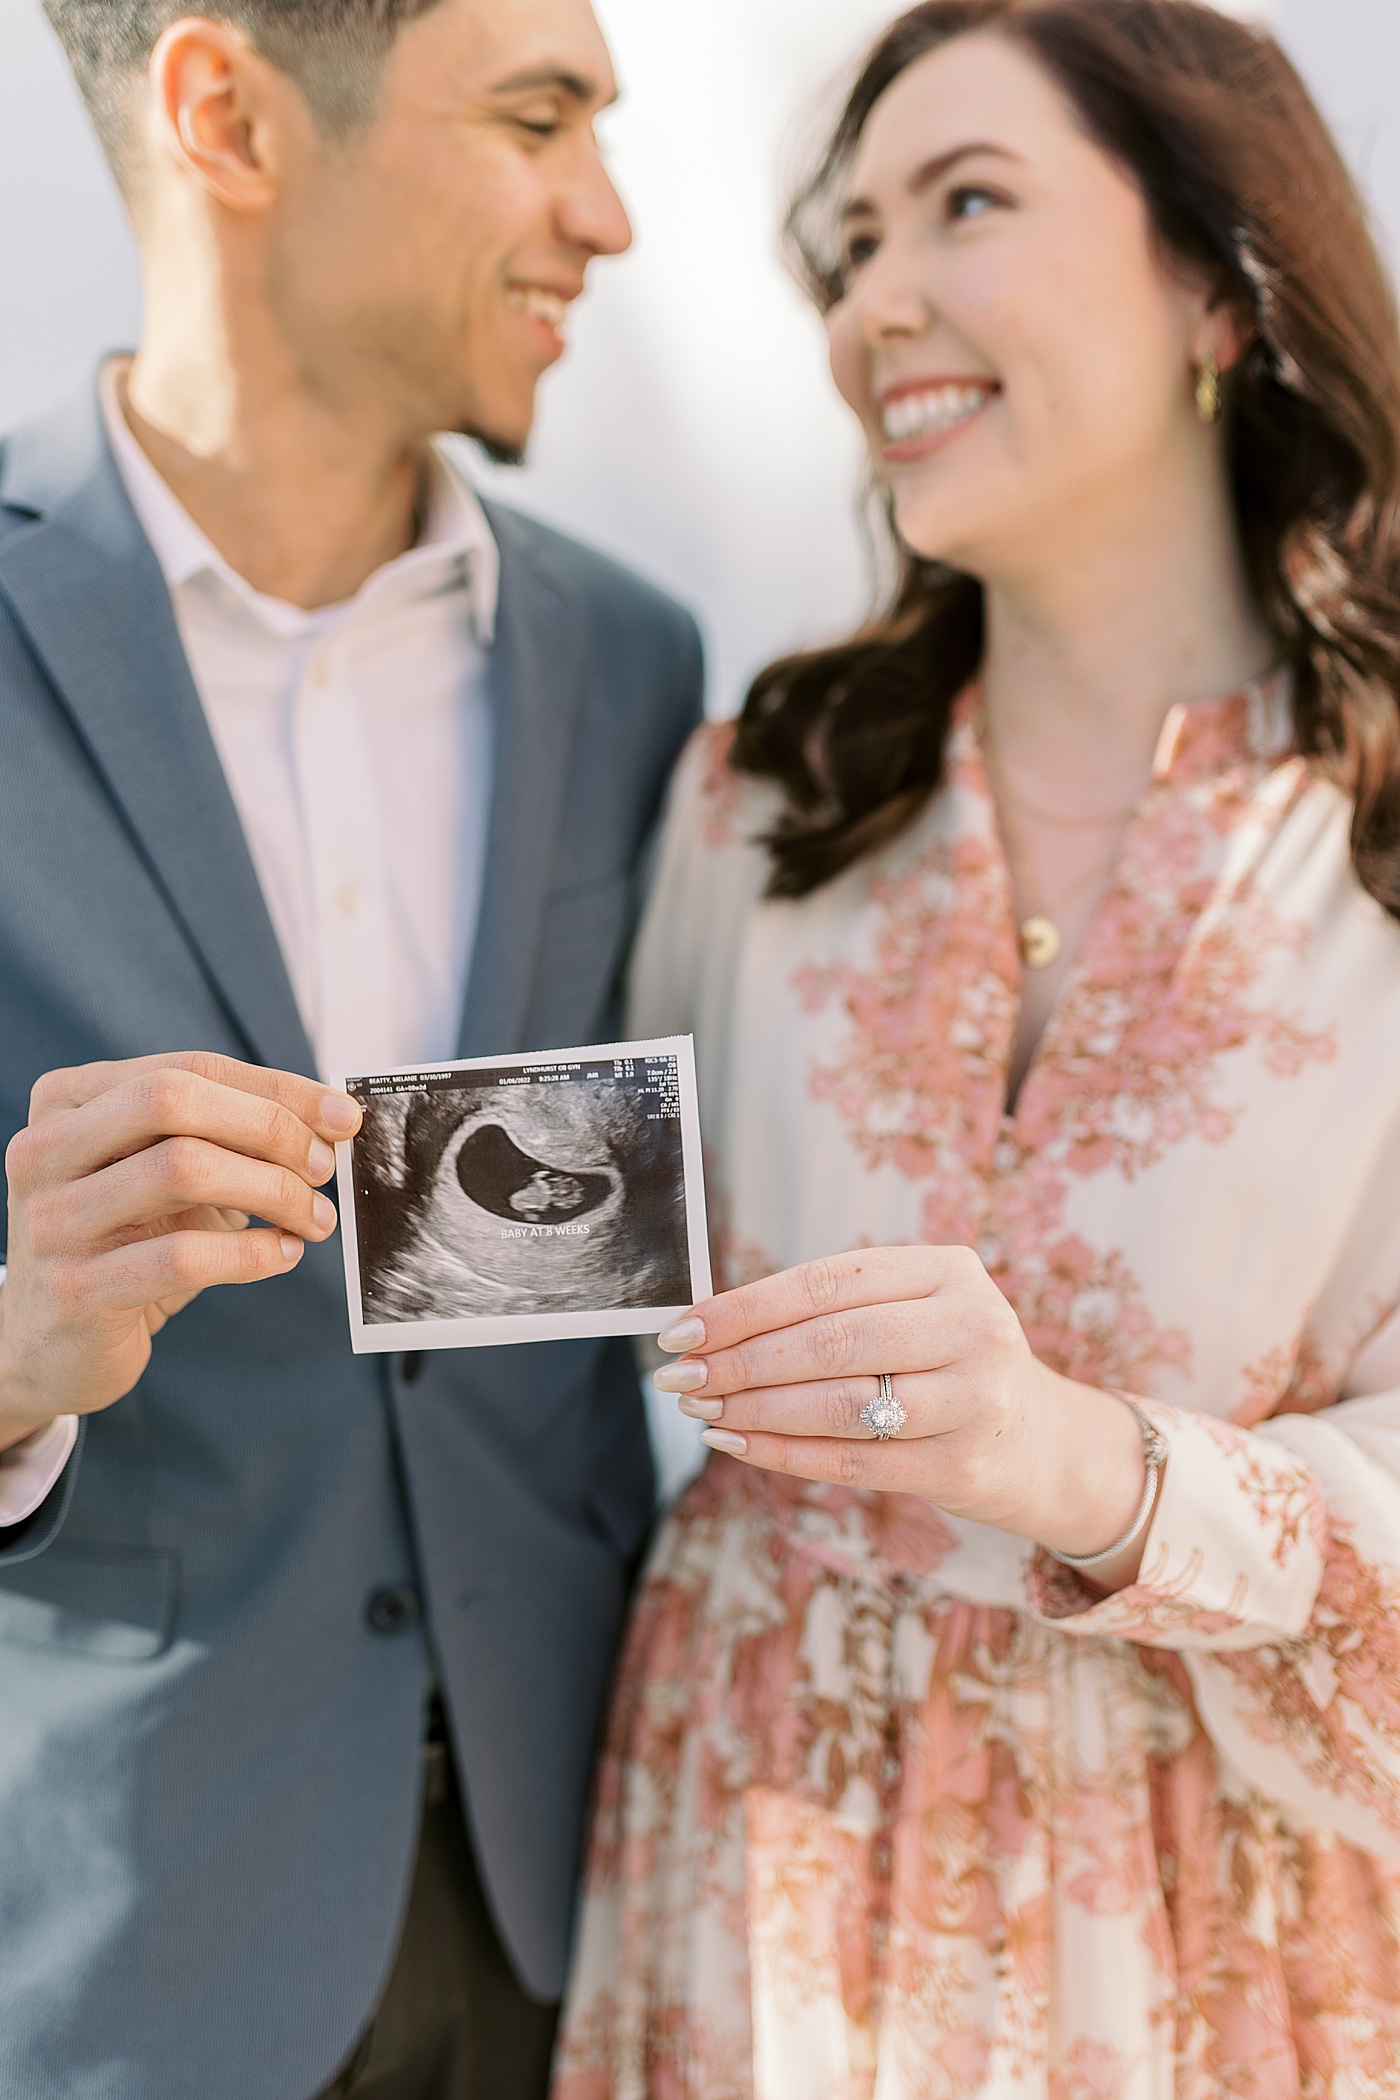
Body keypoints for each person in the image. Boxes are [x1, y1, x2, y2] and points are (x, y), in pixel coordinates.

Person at [554, 2, 1400, 2093]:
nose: (873, 305)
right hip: (751, 1909)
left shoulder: (1377, 845)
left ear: (1217, 283)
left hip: (1216, 1960)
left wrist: (1083, 1470)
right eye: (850, 245)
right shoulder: (756, 802)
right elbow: (546, 1261)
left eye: (965, 205)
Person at [0, 0, 701, 2092]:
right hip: (122, 1946)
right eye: (533, 115)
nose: (607, 212)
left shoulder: (636, 658)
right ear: (228, 115)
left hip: (582, 1905)